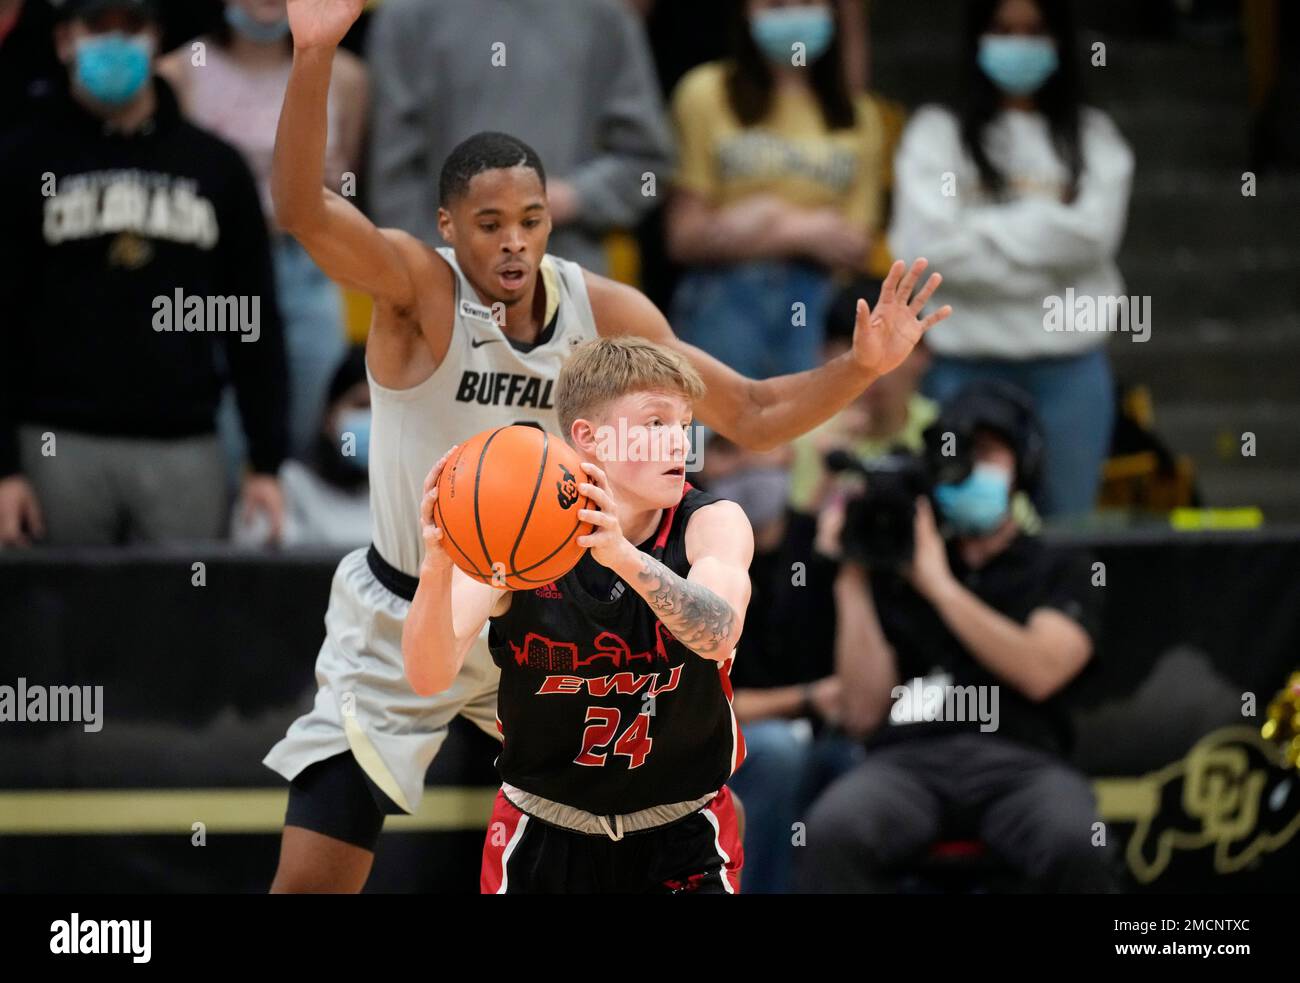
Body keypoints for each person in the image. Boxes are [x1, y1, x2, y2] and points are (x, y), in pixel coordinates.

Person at [263, 0, 949, 893]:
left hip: (546, 606)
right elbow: (301, 210)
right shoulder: (415, 294)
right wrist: (314, 52)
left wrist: (860, 368)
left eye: (533, 218)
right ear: (445, 226)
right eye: (489, 222)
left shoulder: (605, 311)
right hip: (418, 597)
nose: (514, 240)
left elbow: (747, 407)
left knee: (627, 831)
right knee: (315, 878)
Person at [405, 337, 751, 893]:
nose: (679, 444)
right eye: (655, 423)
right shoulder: (514, 529)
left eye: (684, 426)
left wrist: (621, 556)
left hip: (682, 830)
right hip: (544, 829)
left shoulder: (710, 522)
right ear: (588, 438)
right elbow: (427, 677)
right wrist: (436, 568)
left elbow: (717, 634)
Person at [796, 381, 1116, 893]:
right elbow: (860, 714)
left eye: (985, 452)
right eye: (955, 453)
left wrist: (938, 586)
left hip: (1022, 763)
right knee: (831, 832)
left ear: (1022, 465)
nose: (967, 468)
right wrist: (853, 576)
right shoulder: (895, 565)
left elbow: (1041, 670)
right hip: (907, 761)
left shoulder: (1063, 568)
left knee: (1078, 841)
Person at [0, 0, 287, 548]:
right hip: (56, 444)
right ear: (64, 40)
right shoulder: (19, 164)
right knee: (55, 629)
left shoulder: (217, 168)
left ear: (157, 38)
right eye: (97, 26)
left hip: (186, 447)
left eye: (131, 26)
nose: (115, 41)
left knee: (183, 622)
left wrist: (267, 461)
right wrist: (4, 469)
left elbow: (253, 321)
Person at [888, 0, 1134, 518]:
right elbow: (926, 250)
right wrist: (1048, 242)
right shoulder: (936, 133)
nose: (1019, 44)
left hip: (1071, 374)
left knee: (1065, 538)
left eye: (1034, 31)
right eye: (1004, 30)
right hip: (962, 369)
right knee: (961, 527)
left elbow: (1093, 238)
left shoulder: (1094, 137)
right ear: (978, 37)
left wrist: (978, 231)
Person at [158, 0, 366, 462]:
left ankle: (298, 525)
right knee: (230, 427)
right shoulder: (180, 70)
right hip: (219, 275)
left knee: (313, 424)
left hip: (309, 266)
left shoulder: (347, 76)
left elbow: (349, 185)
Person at [665, 0, 889, 380]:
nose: (792, 14)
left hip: (820, 309)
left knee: (812, 437)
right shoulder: (704, 92)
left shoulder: (860, 114)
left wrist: (765, 218)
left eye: (806, 2)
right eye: (777, 3)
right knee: (708, 435)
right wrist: (811, 229)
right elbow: (684, 236)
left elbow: (857, 246)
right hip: (721, 305)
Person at [364, 0, 671, 276]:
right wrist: (431, 269)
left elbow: (647, 166)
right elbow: (391, 174)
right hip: (442, 286)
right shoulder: (407, 15)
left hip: (568, 289)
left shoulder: (606, 17)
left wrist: (574, 197)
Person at [231, 345, 371, 548]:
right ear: (328, 418)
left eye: (383, 410)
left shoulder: (414, 498)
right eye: (361, 406)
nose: (373, 420)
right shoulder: (287, 487)